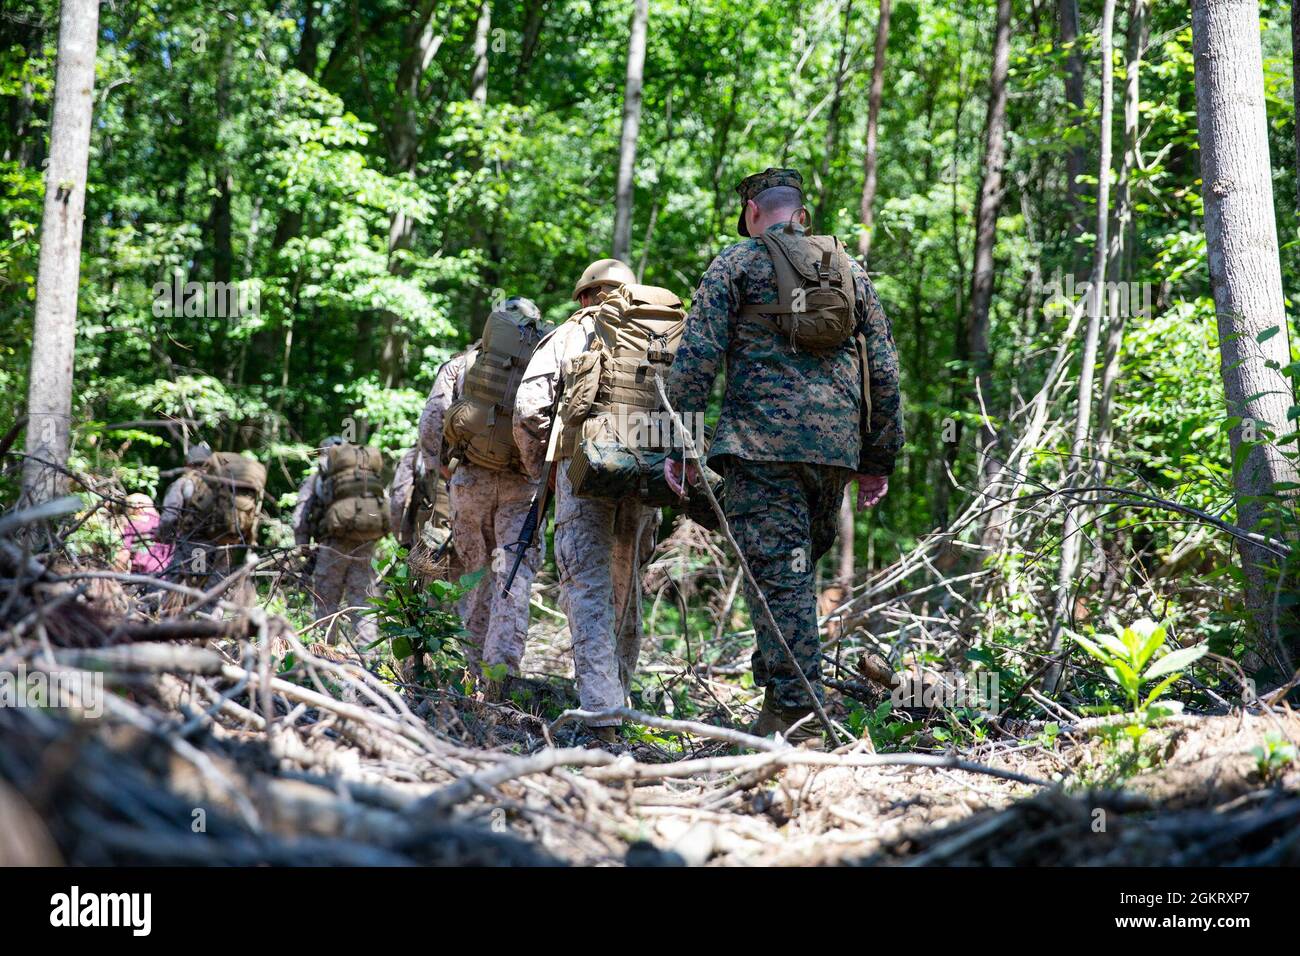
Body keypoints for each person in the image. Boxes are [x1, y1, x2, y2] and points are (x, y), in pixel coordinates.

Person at [664, 168, 904, 742]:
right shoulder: (849, 271)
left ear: (752, 211)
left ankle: (802, 720)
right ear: (802, 212)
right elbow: (886, 370)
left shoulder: (737, 263)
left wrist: (679, 445)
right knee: (789, 577)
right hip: (833, 454)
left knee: (781, 581)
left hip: (761, 447)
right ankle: (779, 706)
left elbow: (696, 358)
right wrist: (878, 459)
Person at [514, 259, 659, 744]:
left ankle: (602, 714)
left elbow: (529, 407)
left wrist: (542, 469)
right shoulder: (659, 332)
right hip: (645, 475)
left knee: (587, 585)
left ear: (584, 296)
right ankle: (623, 697)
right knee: (626, 585)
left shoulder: (570, 334)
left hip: (584, 470)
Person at [419, 297, 549, 694]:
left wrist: (438, 465)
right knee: (511, 577)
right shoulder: (542, 364)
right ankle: (499, 679)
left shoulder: (463, 364)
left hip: (469, 482)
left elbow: (432, 420)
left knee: (475, 575)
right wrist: (538, 470)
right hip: (521, 485)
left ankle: (471, 675)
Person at [292, 436, 388, 652]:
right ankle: (369, 654)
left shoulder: (320, 478)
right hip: (365, 541)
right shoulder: (363, 476)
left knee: (326, 597)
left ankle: (325, 653)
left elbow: (300, 515)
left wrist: (302, 545)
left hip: (334, 542)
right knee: (363, 598)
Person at [114, 492, 172, 575]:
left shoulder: (132, 524)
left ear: (137, 507)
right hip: (166, 571)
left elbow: (124, 553)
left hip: (142, 572)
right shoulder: (163, 523)